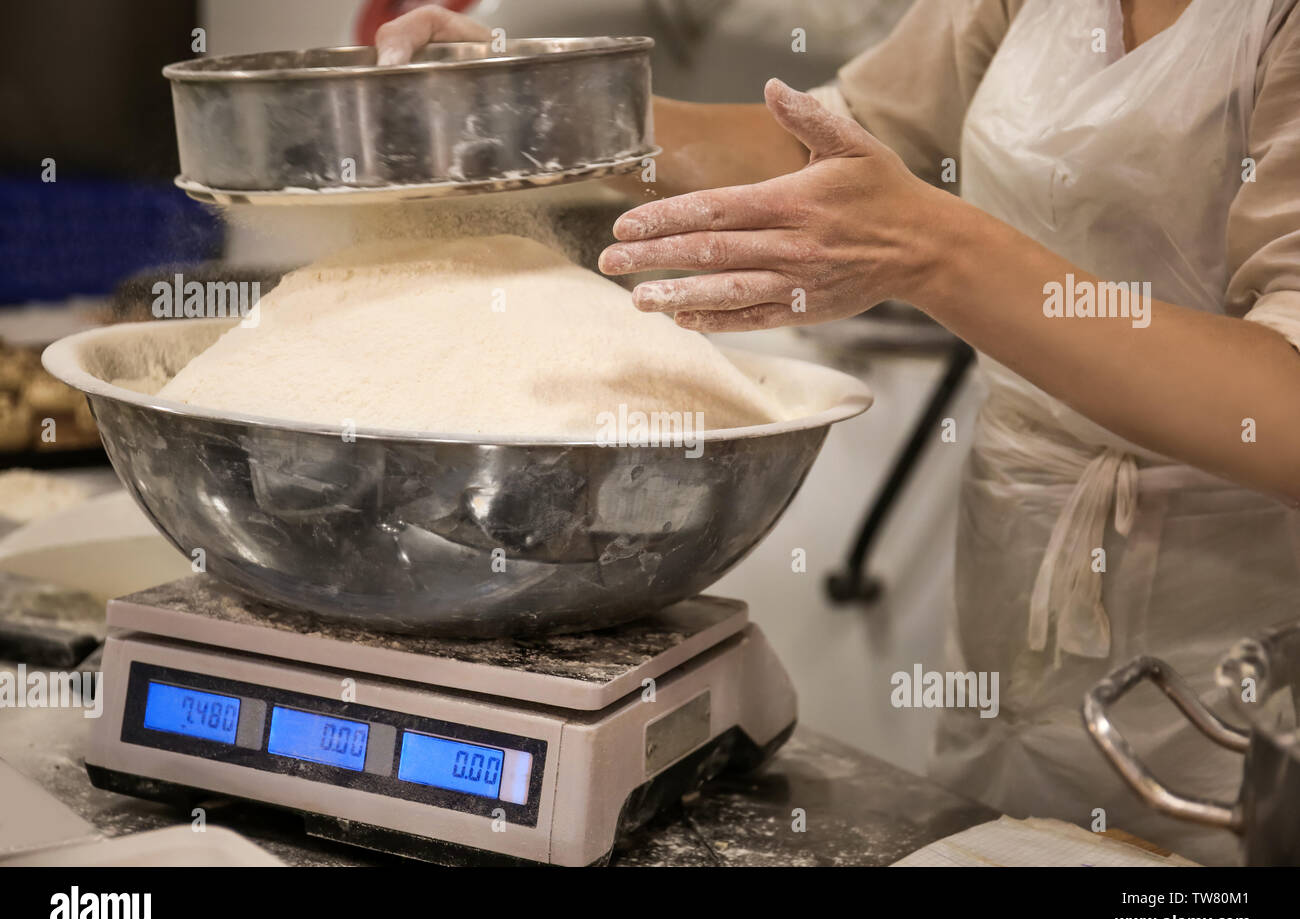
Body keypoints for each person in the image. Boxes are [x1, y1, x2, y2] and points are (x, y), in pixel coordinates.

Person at [376, 0, 1300, 864]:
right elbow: (830, 143)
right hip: (1019, 552)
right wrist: (549, 107)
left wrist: (940, 251)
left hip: (1226, 622)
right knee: (1016, 835)